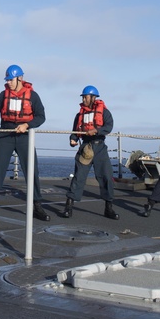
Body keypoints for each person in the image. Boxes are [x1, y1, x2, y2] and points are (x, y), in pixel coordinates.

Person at [0, 64, 49, 222]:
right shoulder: (3, 95)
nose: (8, 82)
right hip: (5, 134)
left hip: (24, 136)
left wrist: (27, 125)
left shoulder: (33, 96)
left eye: (10, 79)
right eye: (7, 79)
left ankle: (37, 206)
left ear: (20, 78)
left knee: (32, 171)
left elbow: (41, 116)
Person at [62, 86, 118, 220]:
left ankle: (108, 208)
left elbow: (109, 126)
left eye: (85, 96)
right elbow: (75, 131)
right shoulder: (79, 115)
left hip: (100, 148)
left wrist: (96, 131)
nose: (83, 99)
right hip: (86, 147)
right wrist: (73, 139)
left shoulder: (104, 112)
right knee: (78, 177)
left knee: (106, 177)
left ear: (93, 98)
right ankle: (68, 207)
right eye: (83, 97)